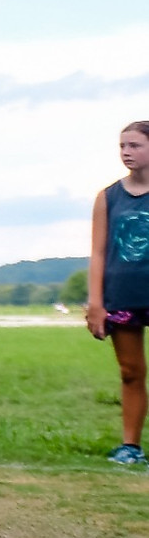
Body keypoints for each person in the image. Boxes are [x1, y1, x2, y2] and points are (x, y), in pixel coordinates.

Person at [87, 121, 149, 467]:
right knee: (130, 372)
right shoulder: (108, 197)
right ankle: (131, 447)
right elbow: (97, 253)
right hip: (122, 295)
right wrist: (96, 303)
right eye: (123, 146)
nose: (126, 152)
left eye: (135, 145)